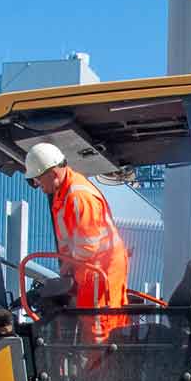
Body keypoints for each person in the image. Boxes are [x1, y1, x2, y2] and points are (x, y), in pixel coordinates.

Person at [25, 142, 128, 343]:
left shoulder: (78, 196)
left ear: (53, 173)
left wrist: (67, 267)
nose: (37, 185)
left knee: (98, 327)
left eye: (37, 179)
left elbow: (88, 246)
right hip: (90, 268)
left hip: (100, 269)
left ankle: (101, 372)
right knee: (90, 322)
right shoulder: (62, 194)